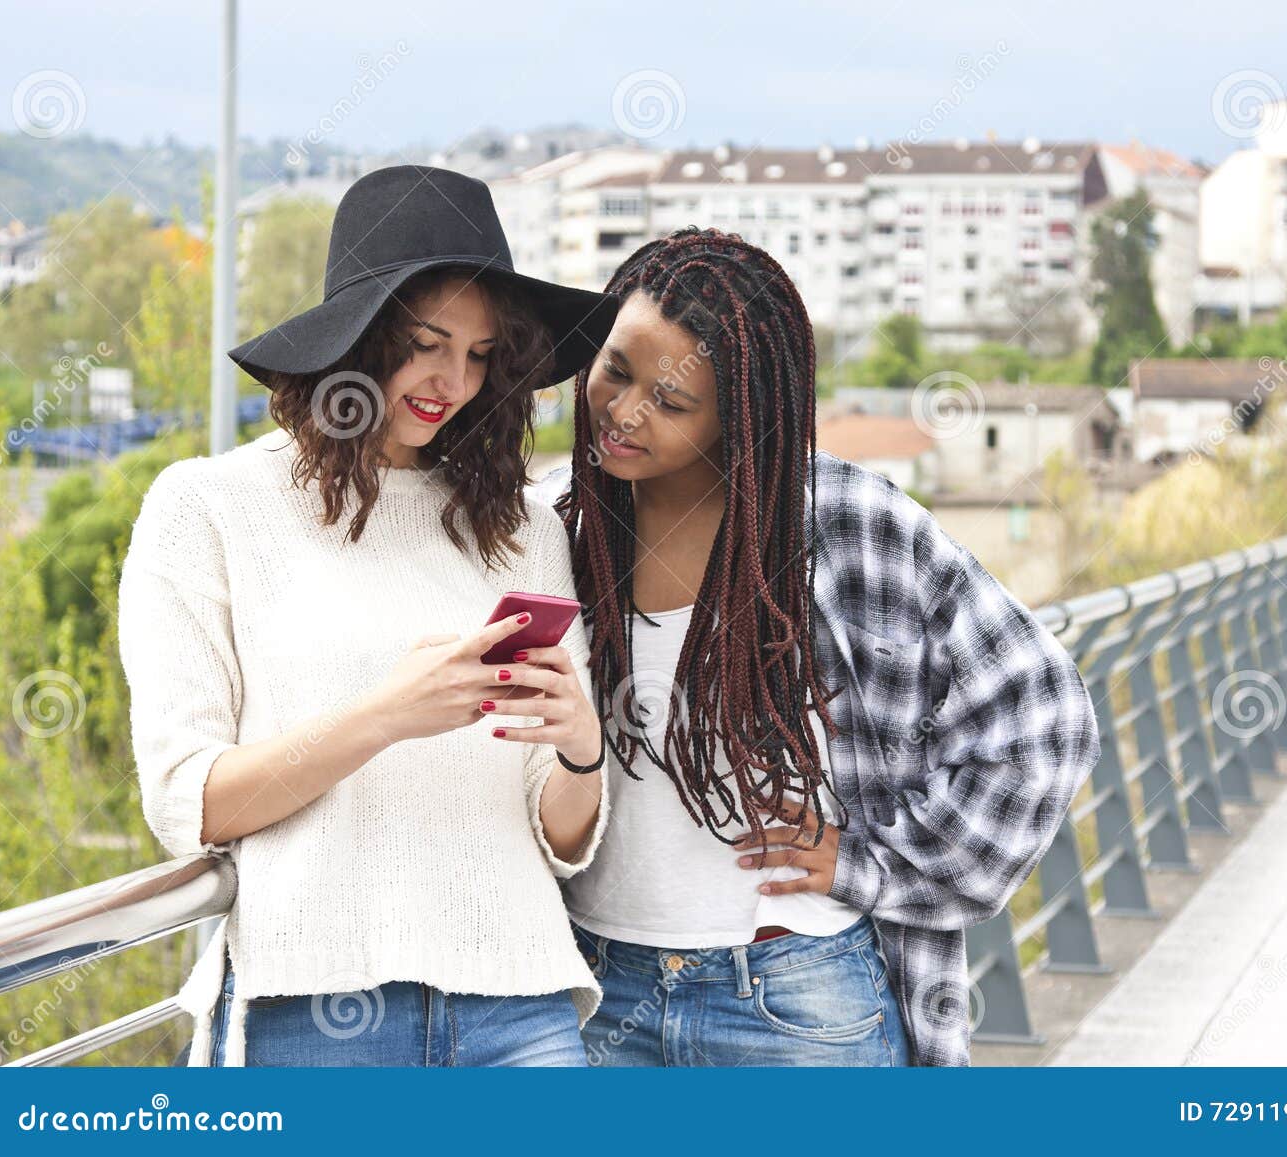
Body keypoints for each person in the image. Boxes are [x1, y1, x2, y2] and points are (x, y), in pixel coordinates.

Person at [539, 227, 1101, 1066]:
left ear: (740, 414)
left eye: (671, 401)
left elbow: (1042, 715)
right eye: (614, 370)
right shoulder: (556, 523)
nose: (624, 411)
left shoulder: (842, 521)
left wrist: (873, 866)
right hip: (593, 993)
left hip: (791, 1002)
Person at [119, 165, 618, 1066]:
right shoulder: (207, 507)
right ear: (357, 335)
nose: (453, 380)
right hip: (312, 1013)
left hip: (520, 1007)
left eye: (480, 355)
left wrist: (583, 746)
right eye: (426, 343)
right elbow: (190, 803)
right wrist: (388, 713)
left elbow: (561, 835)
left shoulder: (525, 529)